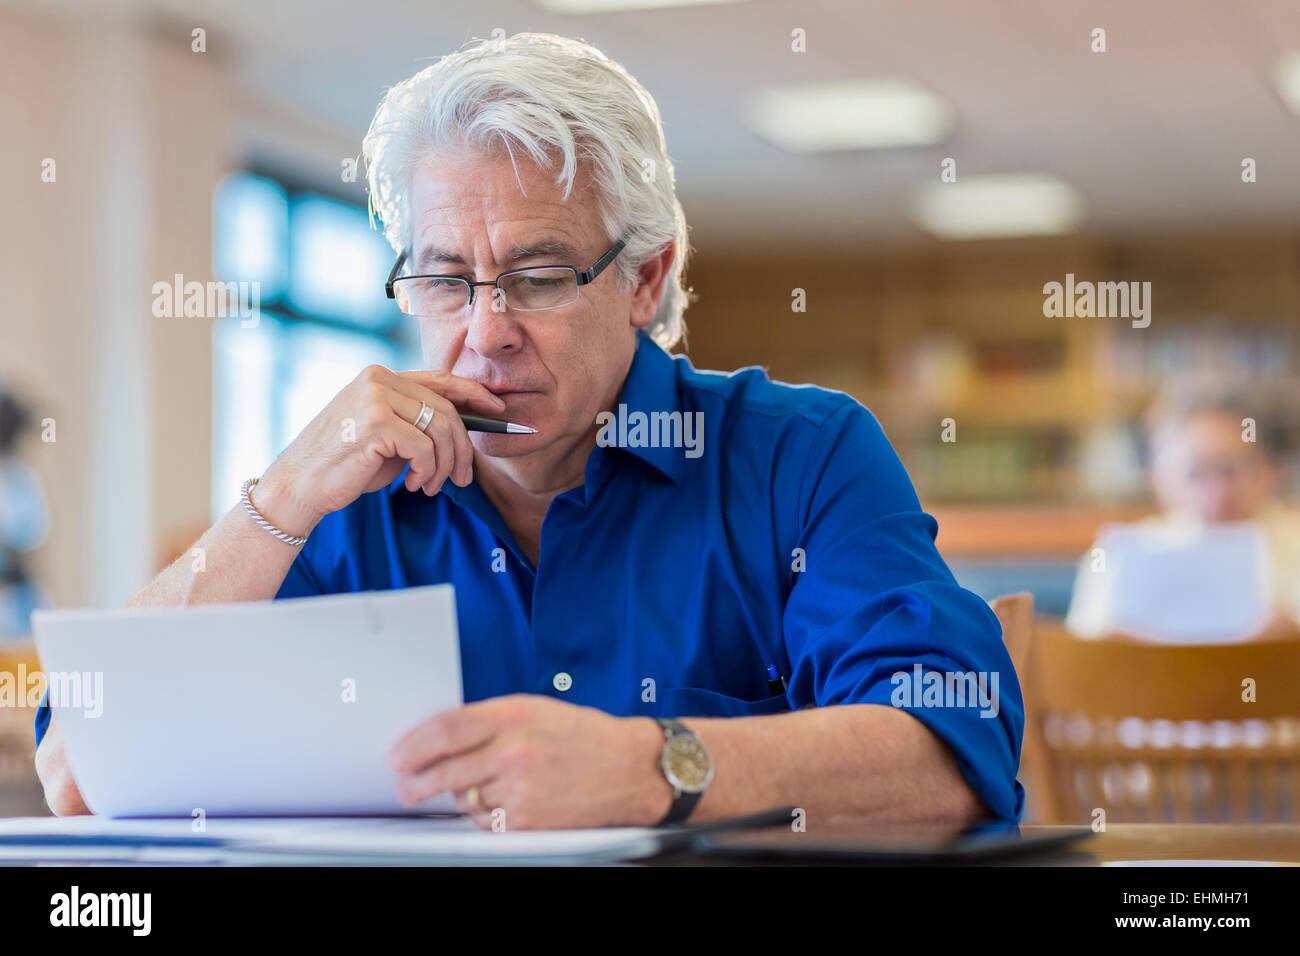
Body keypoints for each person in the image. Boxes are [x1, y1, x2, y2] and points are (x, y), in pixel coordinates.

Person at [36, 33, 1023, 826]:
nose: (484, 331)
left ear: (644, 279)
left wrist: (660, 765)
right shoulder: (343, 498)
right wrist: (283, 494)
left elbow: (953, 744)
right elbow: (79, 767)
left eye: (539, 276)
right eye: (442, 277)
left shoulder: (796, 458)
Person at [1067, 383, 1300, 640]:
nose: (1216, 492)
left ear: (1268, 469)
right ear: (1158, 479)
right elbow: (1079, 657)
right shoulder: (1119, 554)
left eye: (1230, 470)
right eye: (1195, 473)